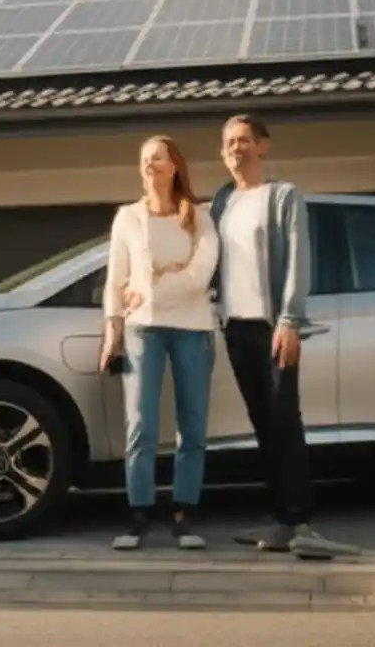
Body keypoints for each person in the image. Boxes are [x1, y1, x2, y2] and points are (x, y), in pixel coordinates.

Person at [207, 114, 359, 560]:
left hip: (274, 327)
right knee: (261, 423)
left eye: (244, 141)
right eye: (229, 143)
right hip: (236, 328)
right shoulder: (222, 201)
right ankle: (278, 518)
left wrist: (290, 320)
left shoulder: (283, 196)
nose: (236, 149)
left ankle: (300, 520)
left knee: (283, 421)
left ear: (263, 147)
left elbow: (297, 259)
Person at [99, 135, 220, 551]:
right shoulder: (127, 218)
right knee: (141, 425)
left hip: (193, 328)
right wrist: (112, 329)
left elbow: (199, 276)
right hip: (142, 330)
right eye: (144, 159)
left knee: (192, 426)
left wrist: (149, 286)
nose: (150, 164)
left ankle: (184, 516)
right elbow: (116, 280)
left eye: (157, 157)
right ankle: (138, 517)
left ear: (174, 165)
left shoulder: (199, 217)